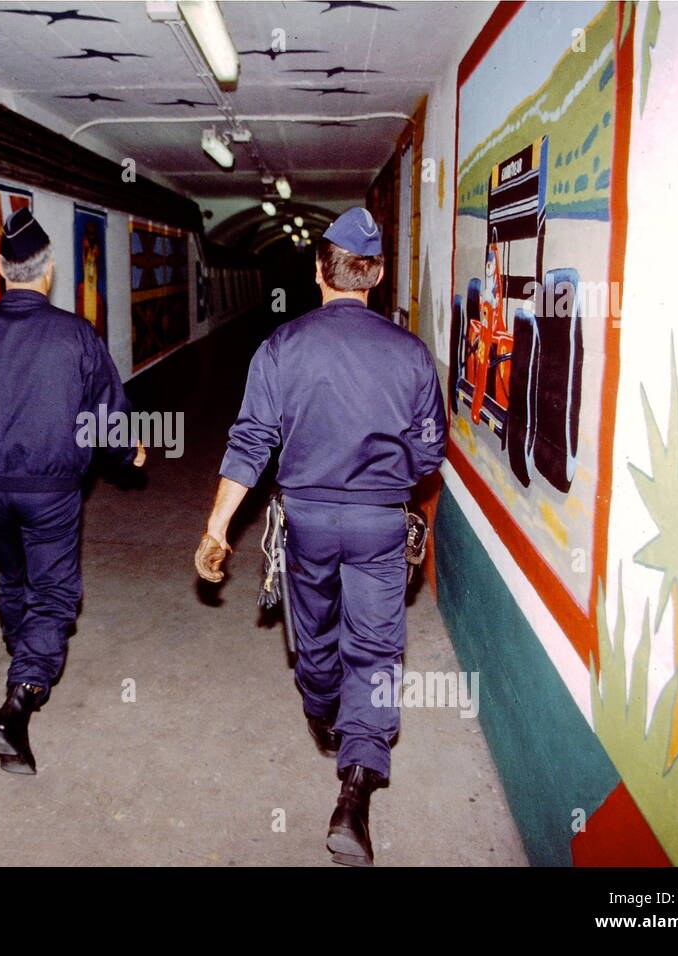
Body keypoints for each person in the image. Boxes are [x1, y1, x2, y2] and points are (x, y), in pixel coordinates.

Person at [194, 207, 446, 865]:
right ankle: (356, 787)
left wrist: (218, 527)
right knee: (378, 645)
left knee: (314, 626)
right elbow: (428, 454)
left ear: (317, 271)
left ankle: (321, 709)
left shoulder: (281, 348)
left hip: (305, 517)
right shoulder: (410, 354)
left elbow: (250, 443)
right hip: (379, 522)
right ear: (380, 274)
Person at [0, 207, 145, 775]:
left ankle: (23, 652)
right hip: (50, 491)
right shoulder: (75, 335)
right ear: (48, 272)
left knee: (15, 578)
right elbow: (103, 410)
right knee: (54, 591)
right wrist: (129, 450)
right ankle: (19, 700)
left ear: (3, 269)